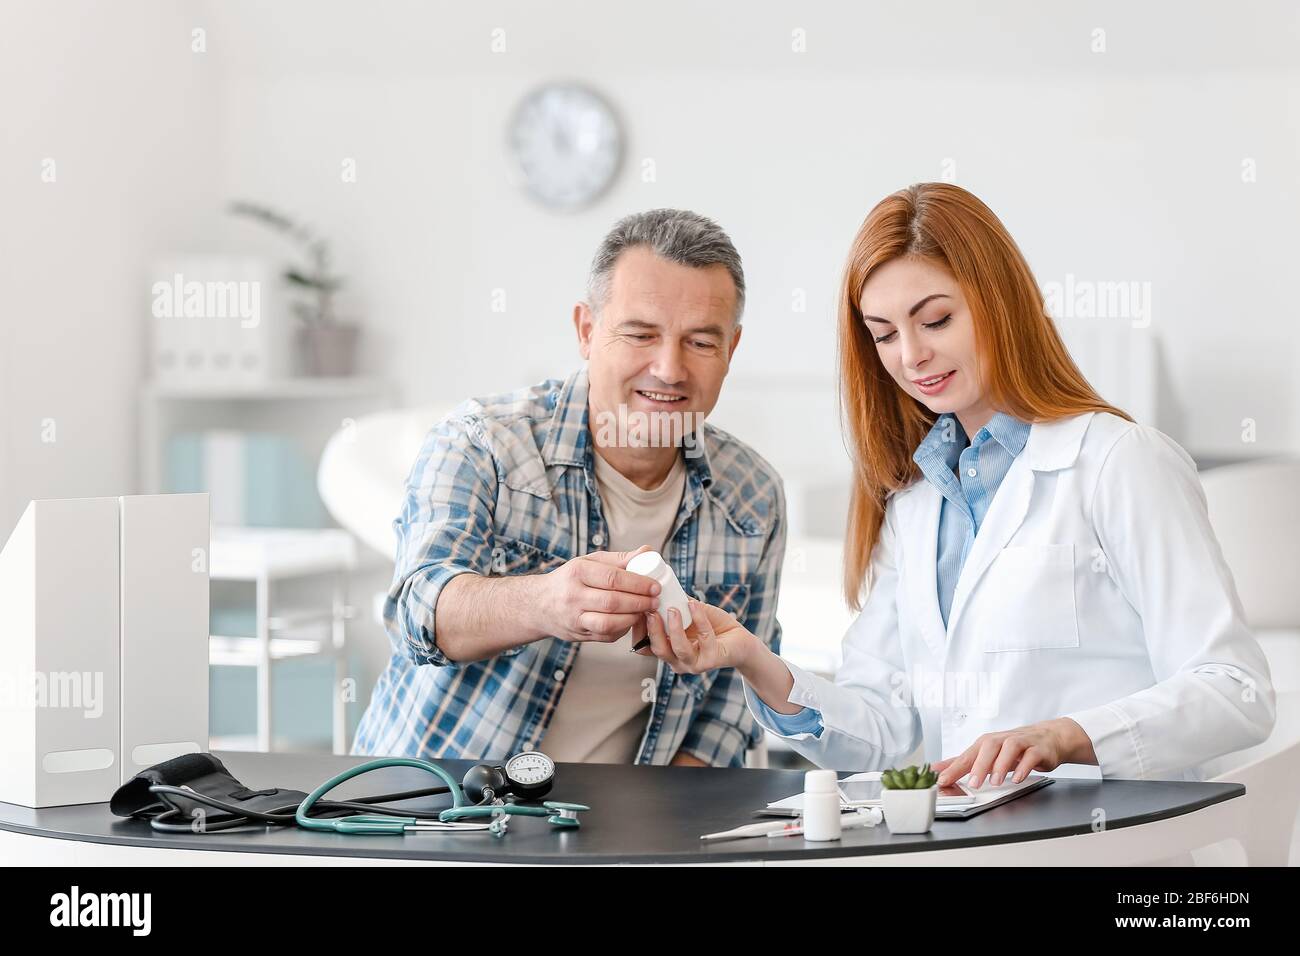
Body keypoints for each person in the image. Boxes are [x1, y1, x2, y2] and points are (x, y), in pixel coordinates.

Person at [639, 183, 1276, 786]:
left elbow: (1235, 691)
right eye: (884, 334)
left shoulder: (1119, 463)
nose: (910, 355)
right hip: (980, 842)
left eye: (936, 320)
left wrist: (1069, 736)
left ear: (1000, 304)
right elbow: (882, 727)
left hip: (1110, 846)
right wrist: (751, 657)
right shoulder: (916, 499)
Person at [353, 208, 785, 767]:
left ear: (732, 349)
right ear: (587, 330)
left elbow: (732, 698)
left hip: (627, 834)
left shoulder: (752, 498)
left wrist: (669, 827)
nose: (670, 368)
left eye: (701, 342)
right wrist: (545, 603)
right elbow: (418, 612)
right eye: (640, 334)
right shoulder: (482, 444)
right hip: (440, 807)